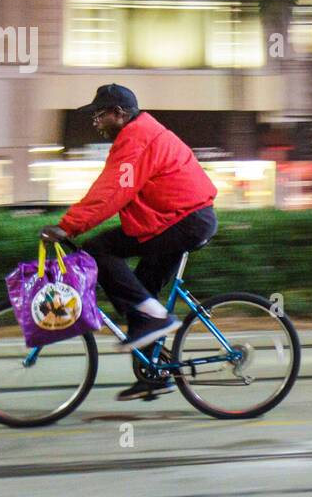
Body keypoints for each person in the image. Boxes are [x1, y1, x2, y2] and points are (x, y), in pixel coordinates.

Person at [39, 84, 217, 400]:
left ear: (119, 114)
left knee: (98, 250)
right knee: (140, 295)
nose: (95, 121)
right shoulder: (140, 134)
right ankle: (153, 375)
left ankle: (156, 318)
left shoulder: (136, 139)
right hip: (178, 219)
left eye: (99, 114)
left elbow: (110, 192)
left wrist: (69, 227)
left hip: (183, 221)